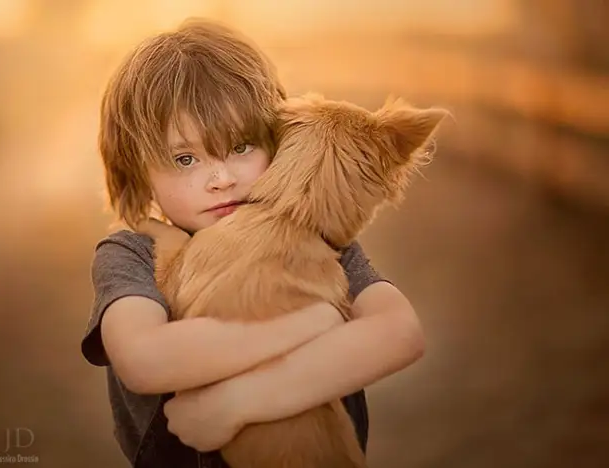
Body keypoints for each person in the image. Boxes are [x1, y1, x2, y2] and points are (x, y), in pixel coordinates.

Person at [81, 18, 425, 468]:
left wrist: (237, 405)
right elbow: (145, 360)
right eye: (185, 159)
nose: (222, 179)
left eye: (241, 147)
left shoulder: (312, 238)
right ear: (137, 171)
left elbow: (401, 333)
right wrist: (312, 322)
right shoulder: (132, 255)